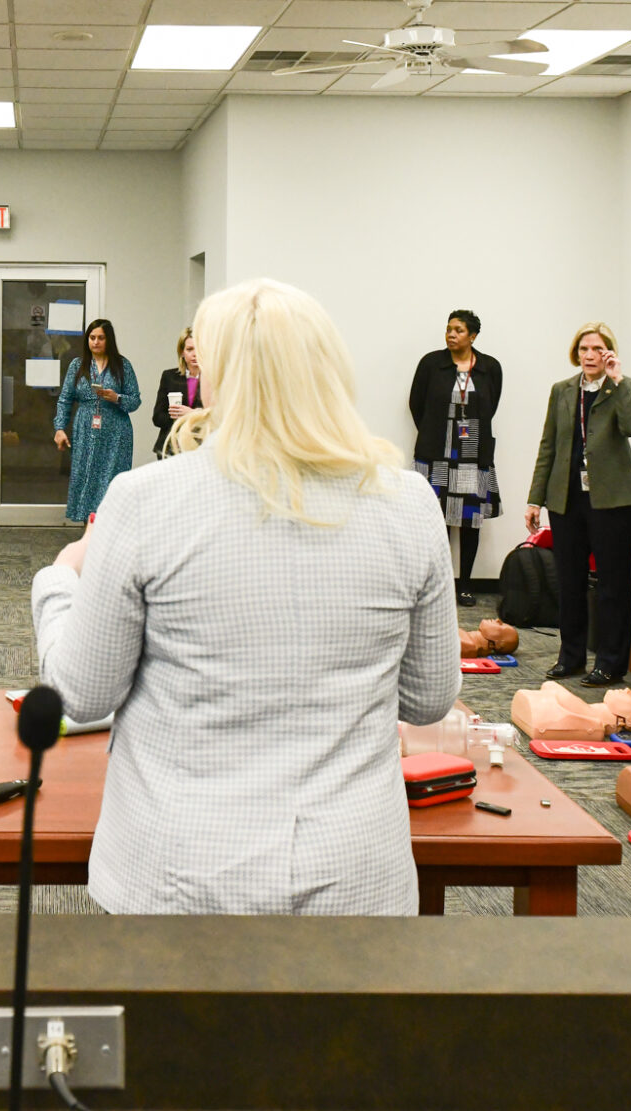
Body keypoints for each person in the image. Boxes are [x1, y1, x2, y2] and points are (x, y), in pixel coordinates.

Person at [30, 279, 458, 915]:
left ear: (221, 374)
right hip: (355, 878)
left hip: (181, 878)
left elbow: (81, 695)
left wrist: (61, 581)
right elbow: (428, 701)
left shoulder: (145, 501)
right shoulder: (410, 505)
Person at [525, 322, 631, 685]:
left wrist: (618, 381)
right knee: (570, 581)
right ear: (576, 353)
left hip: (612, 502)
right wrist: (536, 497)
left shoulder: (629, 388)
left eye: (597, 349)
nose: (590, 356)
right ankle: (572, 656)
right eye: (584, 350)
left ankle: (610, 662)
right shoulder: (562, 391)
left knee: (612, 585)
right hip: (567, 500)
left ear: (609, 352)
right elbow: (548, 445)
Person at [408, 310, 504, 606]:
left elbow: (492, 405)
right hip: (436, 452)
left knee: (469, 519)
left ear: (472, 336)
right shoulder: (431, 364)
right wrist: (435, 434)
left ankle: (464, 585)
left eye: (458, 330)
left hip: (472, 453)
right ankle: (438, 584)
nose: (451, 334)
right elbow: (416, 404)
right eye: (449, 329)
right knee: (436, 519)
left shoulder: (490, 367)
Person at [54, 319, 141, 522]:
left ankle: (111, 529)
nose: (96, 342)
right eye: (92, 338)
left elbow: (135, 400)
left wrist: (117, 398)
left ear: (108, 340)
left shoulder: (122, 365)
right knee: (86, 475)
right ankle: (88, 528)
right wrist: (59, 427)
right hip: (85, 428)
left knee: (112, 479)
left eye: (101, 338)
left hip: (116, 431)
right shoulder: (77, 365)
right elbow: (65, 399)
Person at [148, 326, 202, 459]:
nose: (194, 354)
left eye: (199, 349)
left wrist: (193, 414)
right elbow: (157, 417)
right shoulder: (169, 376)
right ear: (182, 352)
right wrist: (178, 416)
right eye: (189, 349)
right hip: (170, 447)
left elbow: (217, 416)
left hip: (200, 446)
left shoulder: (213, 378)